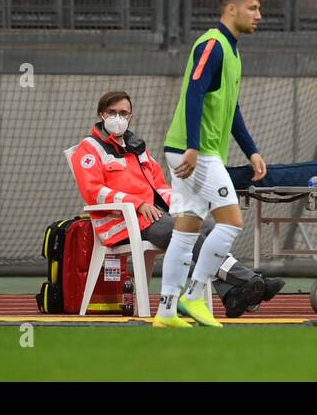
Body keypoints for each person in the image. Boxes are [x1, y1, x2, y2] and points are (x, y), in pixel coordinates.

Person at [67, 90, 282, 318]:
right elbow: (94, 192)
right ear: (101, 114)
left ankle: (233, 294)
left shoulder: (137, 147)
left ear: (130, 116)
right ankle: (248, 280)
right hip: (121, 223)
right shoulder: (89, 149)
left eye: (123, 113)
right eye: (112, 112)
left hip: (154, 218)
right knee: (185, 233)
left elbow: (160, 187)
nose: (118, 118)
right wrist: (137, 204)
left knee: (208, 227)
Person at [154, 0, 268, 328]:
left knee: (185, 231)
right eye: (252, 7)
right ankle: (194, 294)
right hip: (197, 153)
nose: (258, 15)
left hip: (196, 151)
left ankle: (166, 311)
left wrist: (251, 150)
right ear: (231, 9)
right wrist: (192, 146)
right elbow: (193, 93)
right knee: (232, 222)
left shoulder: (232, 51)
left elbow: (230, 109)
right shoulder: (213, 45)